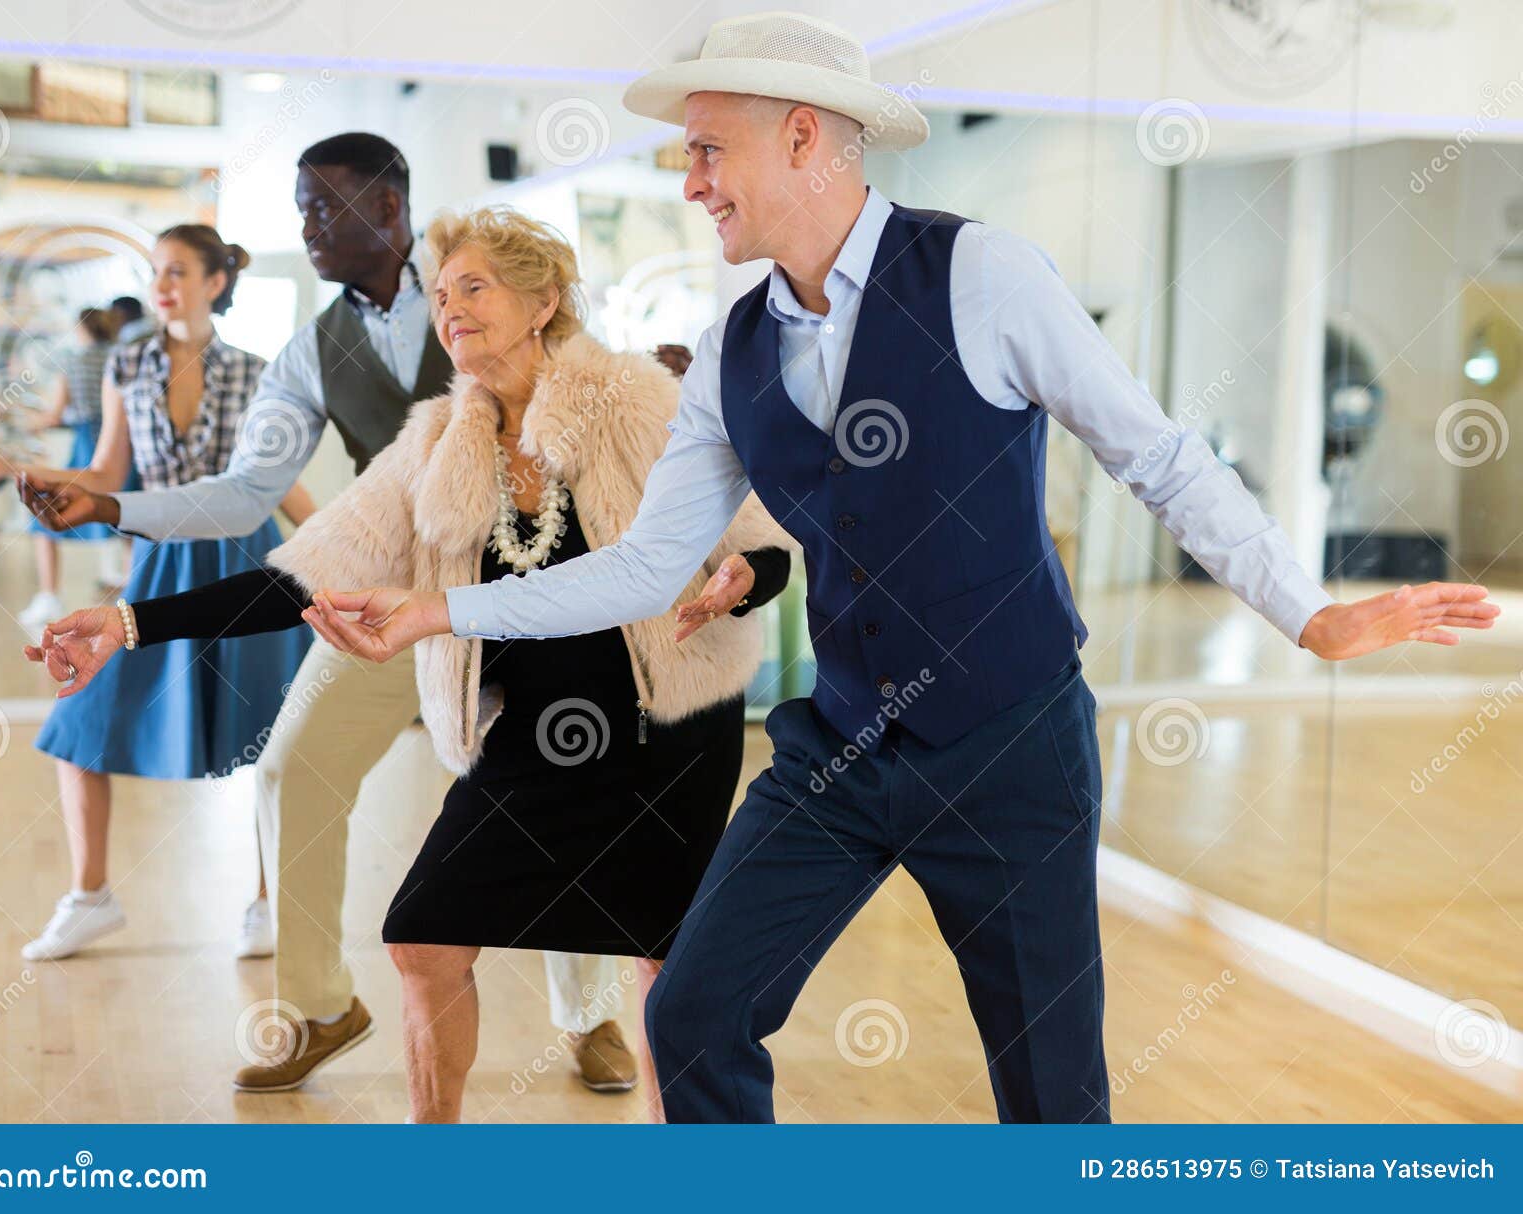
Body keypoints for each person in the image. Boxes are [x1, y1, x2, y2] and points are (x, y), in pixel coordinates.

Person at [287, 12, 1500, 1123]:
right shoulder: (729, 350)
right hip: (841, 748)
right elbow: (649, 563)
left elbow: (1159, 456)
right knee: (692, 1012)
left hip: (1009, 746)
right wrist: (437, 609)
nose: (689, 179)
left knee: (1049, 1096)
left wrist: (1309, 614)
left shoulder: (984, 276)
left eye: (707, 150)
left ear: (802, 136)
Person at [30, 205, 793, 1123]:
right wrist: (127, 622)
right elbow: (306, 570)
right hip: (530, 740)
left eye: (475, 288)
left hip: (666, 731)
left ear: (544, 302)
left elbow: (762, 541)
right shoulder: (436, 439)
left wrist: (746, 580)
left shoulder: (636, 400)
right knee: (423, 937)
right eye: (441, 295)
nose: (451, 309)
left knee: (665, 962)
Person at [0, 223, 316, 964]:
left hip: (246, 562)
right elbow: (106, 474)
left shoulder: (258, 373)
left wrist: (347, 551)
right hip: (159, 562)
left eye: (178, 270)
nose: (162, 284)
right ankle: (89, 897)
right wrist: (15, 470)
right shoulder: (128, 363)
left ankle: (266, 901)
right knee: (80, 722)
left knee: (273, 737)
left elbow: (278, 487)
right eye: (156, 270)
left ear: (216, 282)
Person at [16, 307, 119, 637]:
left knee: (44, 517)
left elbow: (54, 414)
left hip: (88, 445)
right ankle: (132, 592)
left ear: (81, 329)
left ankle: (48, 596)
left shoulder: (72, 361)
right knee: (127, 517)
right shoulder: (120, 358)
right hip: (122, 445)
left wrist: (26, 422)